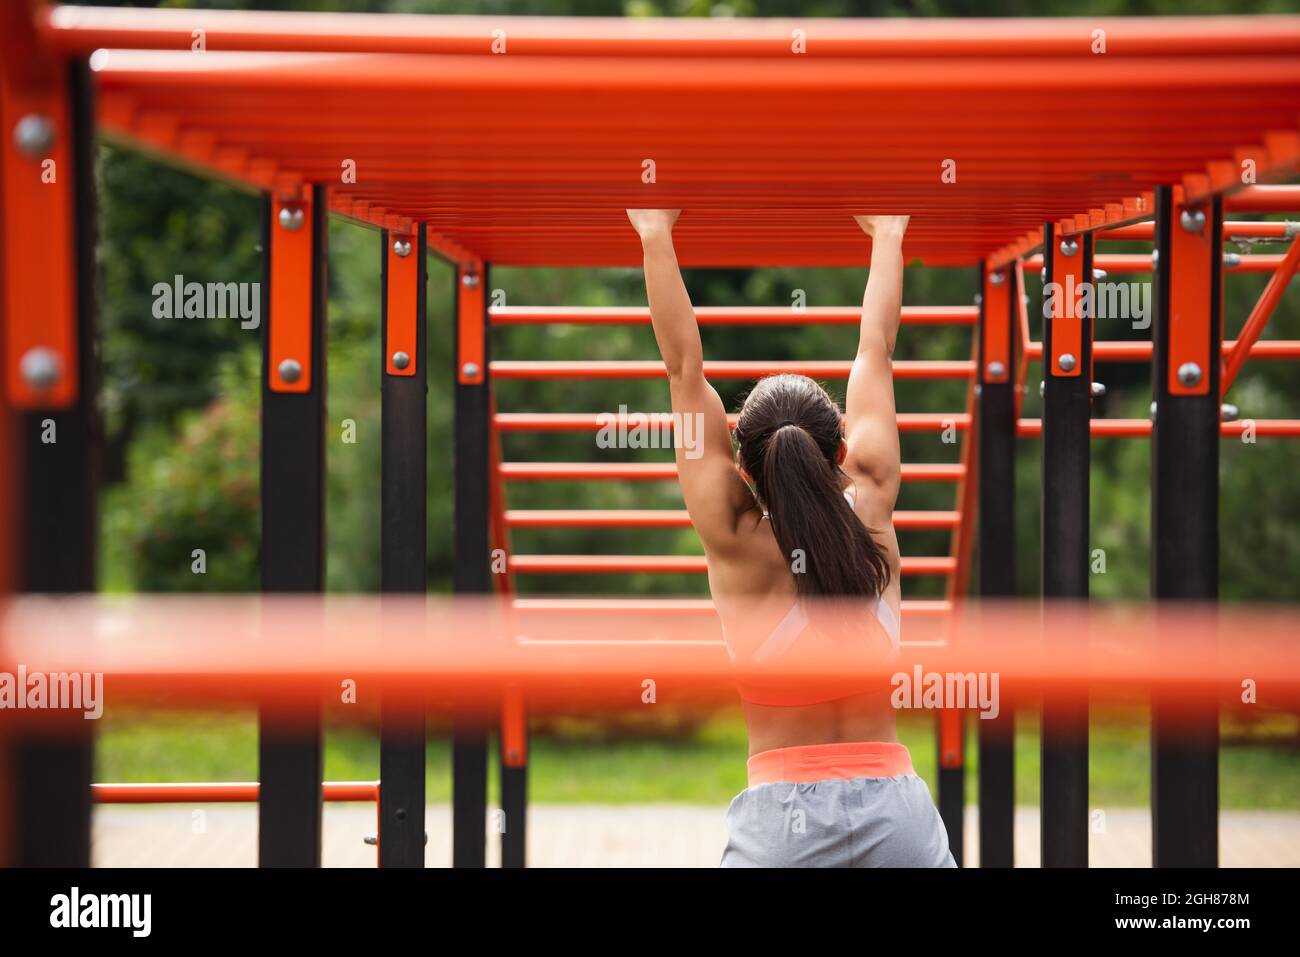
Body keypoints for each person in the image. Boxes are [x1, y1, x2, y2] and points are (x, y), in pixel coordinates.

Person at [625, 208, 955, 867]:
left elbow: (683, 369)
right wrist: (889, 235)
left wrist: (655, 233)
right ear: (840, 450)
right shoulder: (874, 498)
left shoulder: (734, 535)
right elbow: (875, 349)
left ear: (744, 467)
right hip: (898, 818)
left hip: (785, 823)